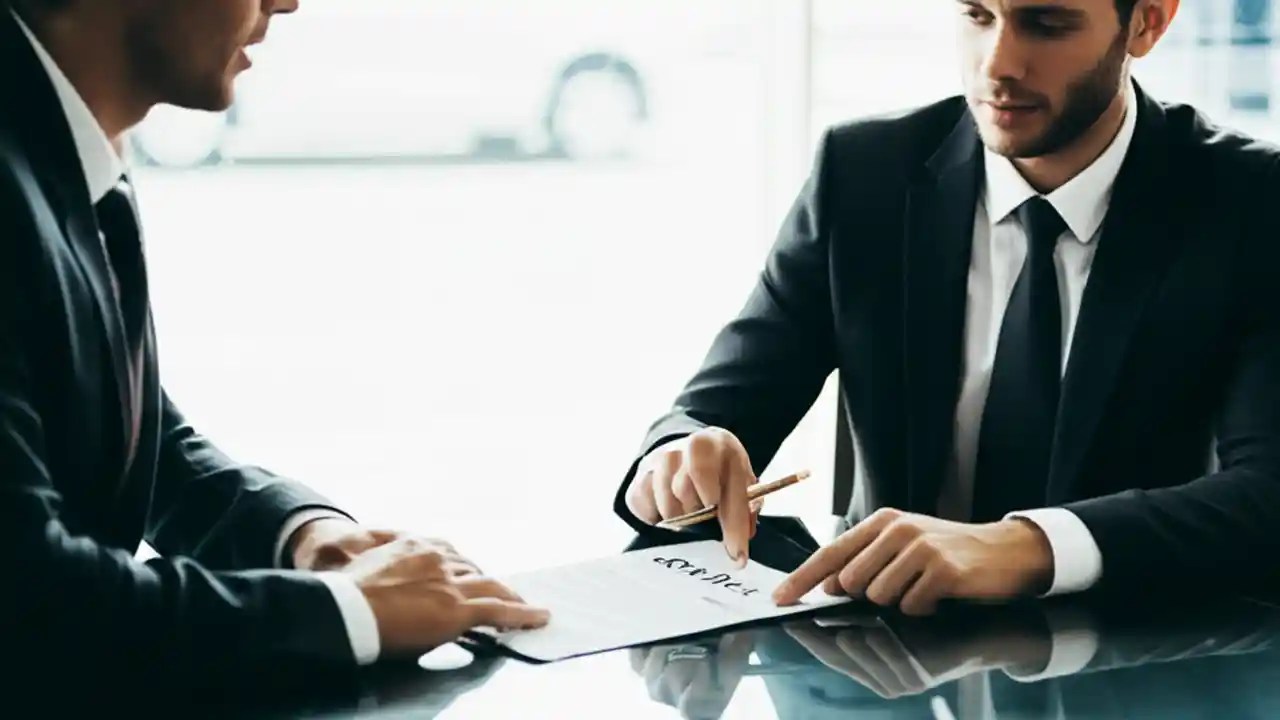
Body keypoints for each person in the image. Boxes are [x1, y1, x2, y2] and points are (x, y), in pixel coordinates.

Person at [616, 0, 1280, 615]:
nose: (998, 64)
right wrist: (678, 458)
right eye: (977, 14)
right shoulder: (864, 174)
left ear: (1148, 23)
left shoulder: (1251, 203)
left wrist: (1030, 546)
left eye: (1047, 24)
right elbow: (715, 408)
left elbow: (1268, 493)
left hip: (1142, 660)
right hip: (883, 655)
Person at [0, 0, 548, 690]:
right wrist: (345, 612)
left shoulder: (58, 131)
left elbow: (125, 431)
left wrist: (299, 534)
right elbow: (28, 595)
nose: (286, 2)